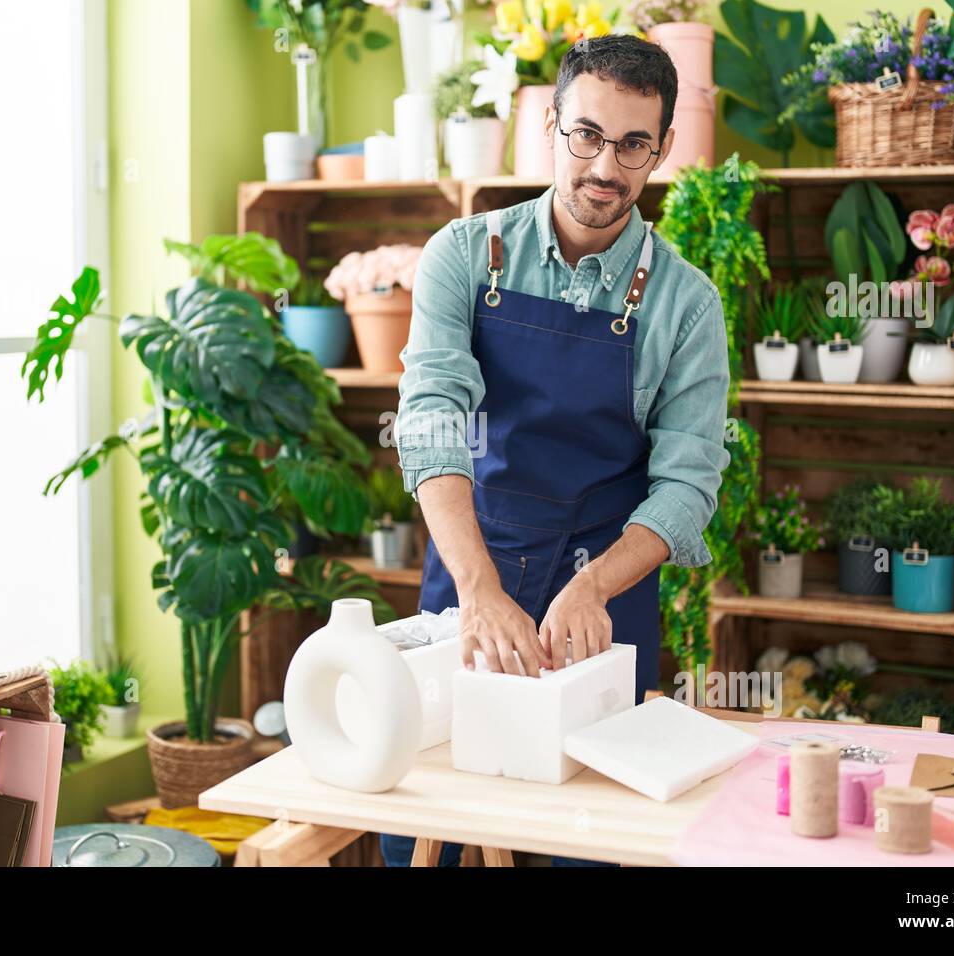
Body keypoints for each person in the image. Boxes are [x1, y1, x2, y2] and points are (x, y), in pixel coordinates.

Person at [385, 34, 730, 867]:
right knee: (433, 829)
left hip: (603, 603)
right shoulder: (464, 256)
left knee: (589, 840)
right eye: (586, 135)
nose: (605, 168)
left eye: (632, 144)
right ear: (550, 126)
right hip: (473, 573)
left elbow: (687, 485)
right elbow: (432, 421)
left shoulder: (686, 304)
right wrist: (479, 589)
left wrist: (591, 586)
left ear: (662, 149)